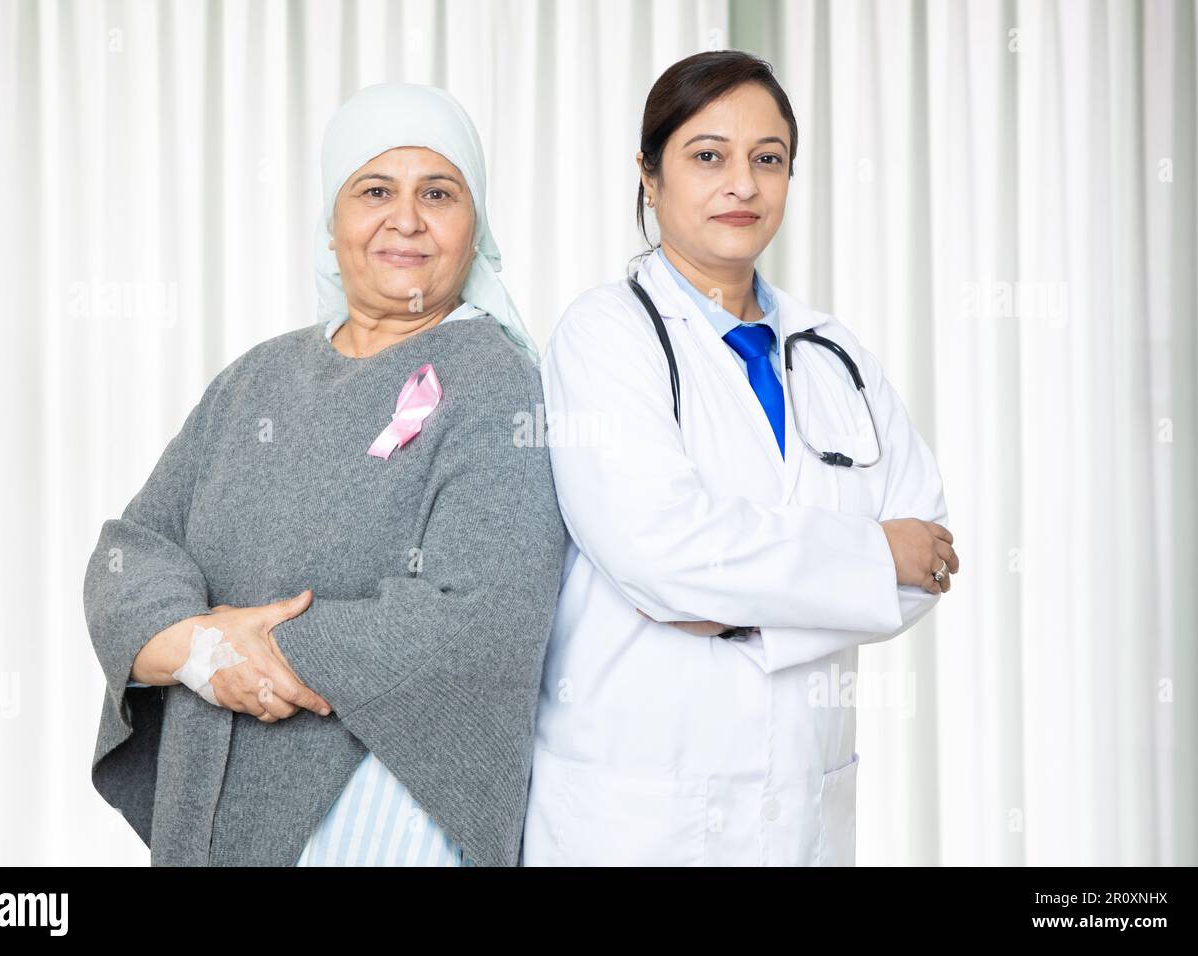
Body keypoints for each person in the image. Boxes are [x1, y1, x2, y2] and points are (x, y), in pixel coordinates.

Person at [84, 82, 566, 866]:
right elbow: (130, 551)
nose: (405, 219)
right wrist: (195, 647)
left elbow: (477, 610)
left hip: (382, 824)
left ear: (474, 228)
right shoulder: (257, 380)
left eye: (437, 193)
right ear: (333, 223)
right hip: (207, 805)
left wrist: (251, 653)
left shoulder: (498, 383)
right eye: (374, 190)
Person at [522, 51, 958, 866]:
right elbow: (661, 550)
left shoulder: (836, 354)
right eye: (708, 155)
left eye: (769, 159)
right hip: (637, 813)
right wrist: (863, 560)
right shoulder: (604, 335)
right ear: (650, 177)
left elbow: (927, 554)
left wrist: (732, 609)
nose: (744, 185)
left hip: (800, 804)